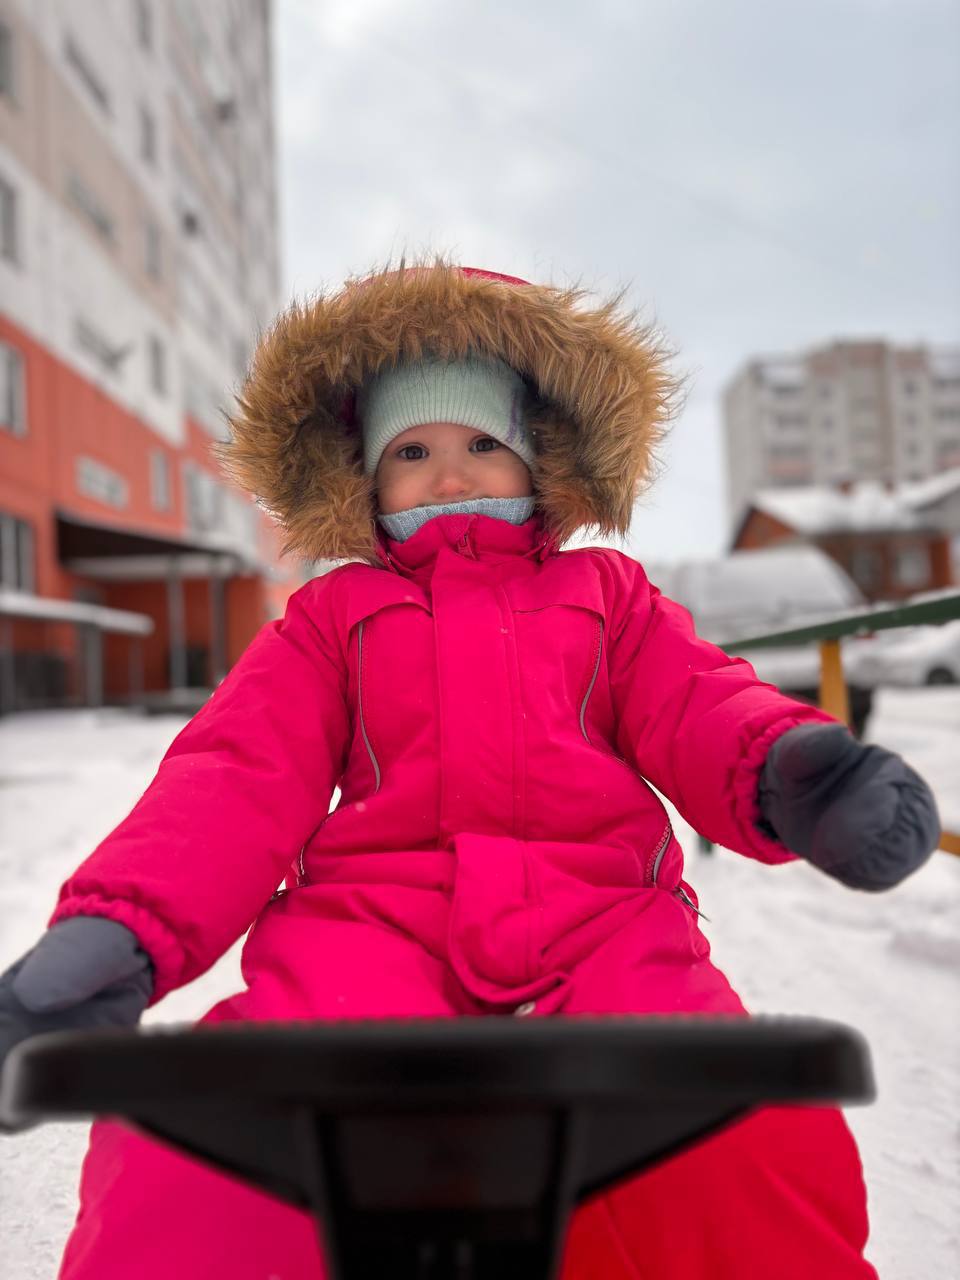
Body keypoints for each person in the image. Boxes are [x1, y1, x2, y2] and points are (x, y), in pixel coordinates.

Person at [0, 262, 940, 1279]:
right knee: (198, 1146)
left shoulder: (606, 595)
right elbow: (235, 772)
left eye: (481, 443)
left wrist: (795, 769)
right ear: (363, 474)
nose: (449, 475)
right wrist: (118, 929)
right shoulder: (331, 619)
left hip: (605, 927)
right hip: (370, 930)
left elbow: (695, 697)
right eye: (413, 450)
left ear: (539, 456)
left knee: (741, 1137)